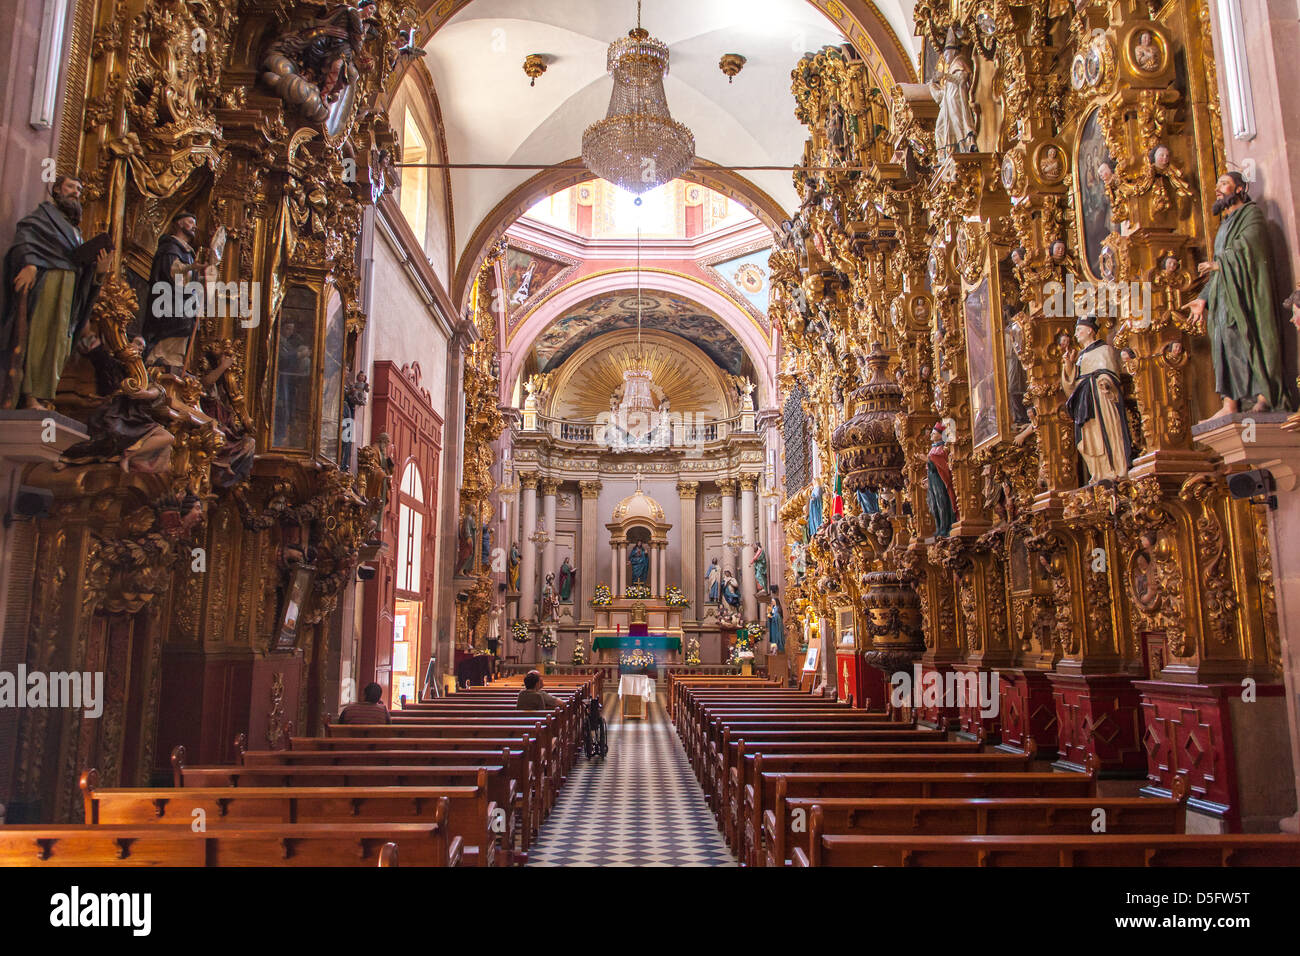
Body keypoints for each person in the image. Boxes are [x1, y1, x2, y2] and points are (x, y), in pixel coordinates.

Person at [2, 173, 111, 408]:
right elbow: (26, 239)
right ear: (57, 190)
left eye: (79, 190)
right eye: (71, 187)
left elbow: (79, 266)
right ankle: (29, 395)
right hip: (48, 282)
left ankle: (43, 395)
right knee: (40, 337)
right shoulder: (43, 217)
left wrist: (99, 273)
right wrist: (30, 263)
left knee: (59, 341)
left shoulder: (75, 231)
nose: (76, 193)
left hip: (68, 290)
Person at [1188, 171, 1290, 419]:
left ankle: (1264, 396)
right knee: (1226, 344)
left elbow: (1251, 246)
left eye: (1224, 183)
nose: (1218, 189)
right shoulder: (1224, 225)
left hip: (1249, 298)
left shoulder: (1251, 215)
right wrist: (1203, 299)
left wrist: (1220, 263)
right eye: (1217, 184)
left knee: (1252, 340)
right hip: (1225, 298)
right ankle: (1230, 403)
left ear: (1240, 189)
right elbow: (1218, 271)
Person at [1061, 316, 1132, 483]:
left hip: (1101, 399)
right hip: (1085, 402)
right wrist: (1069, 365)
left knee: (1107, 433)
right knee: (1088, 439)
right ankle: (1098, 472)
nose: (1076, 334)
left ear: (1090, 330)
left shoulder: (1105, 350)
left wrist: (1104, 381)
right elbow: (1070, 388)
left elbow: (1112, 375)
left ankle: (1115, 470)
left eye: (1079, 330)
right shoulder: (1079, 356)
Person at [141, 211, 206, 372]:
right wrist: (192, 267)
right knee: (176, 324)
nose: (194, 226)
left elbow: (189, 279)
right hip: (168, 299)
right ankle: (158, 357)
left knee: (187, 325)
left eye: (194, 223)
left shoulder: (188, 251)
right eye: (190, 222)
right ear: (179, 223)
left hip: (183, 299)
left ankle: (175, 359)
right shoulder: (170, 246)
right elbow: (170, 271)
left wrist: (202, 279)